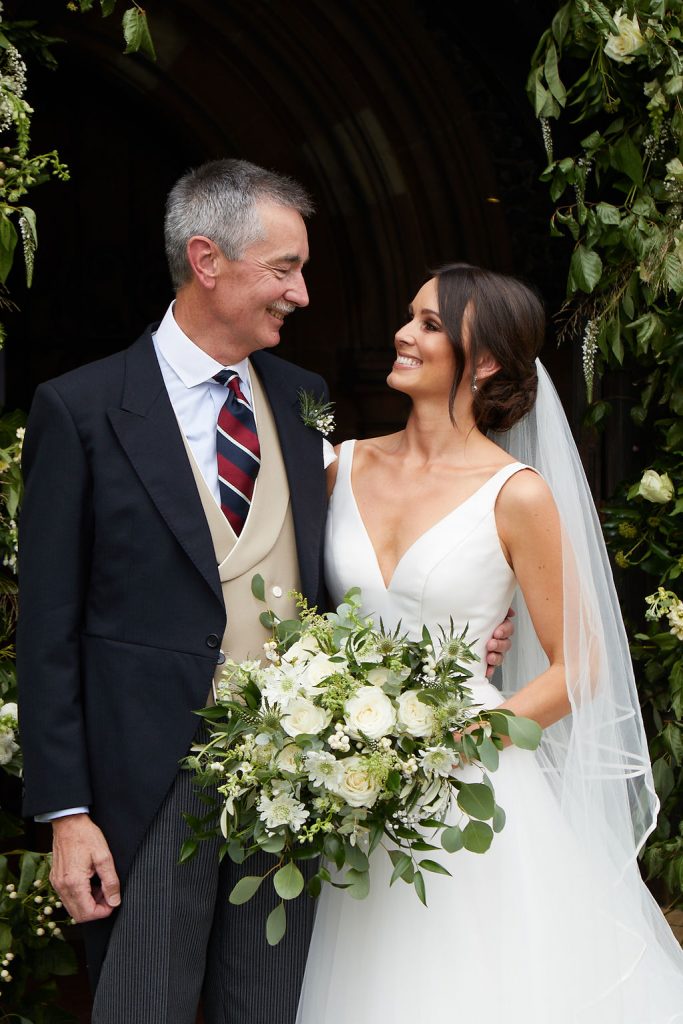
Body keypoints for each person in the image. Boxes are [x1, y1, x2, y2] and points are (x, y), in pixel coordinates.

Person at [16, 164, 513, 1024]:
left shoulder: (300, 399)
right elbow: (48, 629)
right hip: (147, 784)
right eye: (284, 268)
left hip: (297, 783)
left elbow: (348, 572)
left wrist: (432, 652)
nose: (303, 293)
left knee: (272, 1010)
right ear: (207, 260)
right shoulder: (83, 408)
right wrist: (69, 814)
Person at [296, 264, 683, 1023]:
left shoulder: (516, 494)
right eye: (409, 316)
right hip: (347, 779)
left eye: (432, 324)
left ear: (486, 362)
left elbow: (581, 666)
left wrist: (459, 736)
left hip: (465, 785)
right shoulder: (338, 465)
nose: (404, 334)